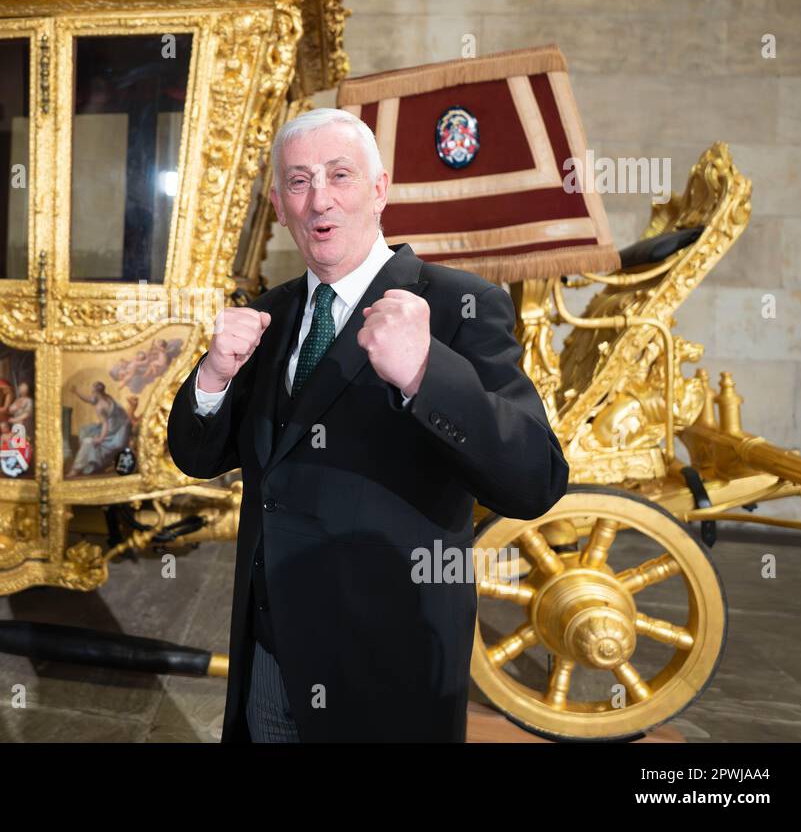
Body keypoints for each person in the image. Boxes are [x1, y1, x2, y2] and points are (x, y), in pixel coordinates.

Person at [166, 107, 569, 743]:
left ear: (380, 189)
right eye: (297, 182)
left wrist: (425, 375)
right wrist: (213, 377)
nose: (318, 198)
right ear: (278, 204)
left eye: (340, 175)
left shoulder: (458, 304)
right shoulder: (267, 316)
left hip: (388, 668)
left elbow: (535, 480)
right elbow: (196, 456)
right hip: (270, 660)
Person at [68, 381, 131, 475]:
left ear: (96, 392)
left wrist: (100, 439)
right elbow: (89, 399)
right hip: (119, 427)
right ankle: (83, 461)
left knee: (87, 440)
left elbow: (105, 424)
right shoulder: (107, 397)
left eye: (92, 390)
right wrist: (77, 392)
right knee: (84, 430)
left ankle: (77, 468)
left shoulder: (100, 406)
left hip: (112, 432)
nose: (91, 392)